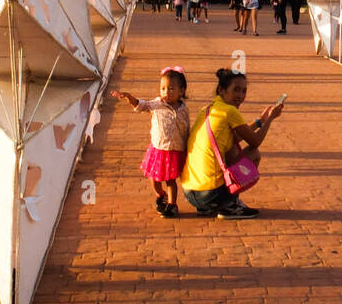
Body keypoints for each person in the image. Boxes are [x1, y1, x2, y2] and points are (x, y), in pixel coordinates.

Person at [180, 68, 285, 219]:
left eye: (243, 91)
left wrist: (259, 122)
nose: (240, 96)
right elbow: (255, 141)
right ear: (221, 90)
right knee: (252, 154)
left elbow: (233, 137)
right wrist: (270, 119)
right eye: (236, 90)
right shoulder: (230, 111)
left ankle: (211, 207)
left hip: (190, 193)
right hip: (210, 194)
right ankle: (229, 205)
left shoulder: (208, 109)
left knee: (231, 150)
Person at [112, 67, 190, 218]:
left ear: (181, 91)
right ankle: (161, 195)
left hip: (174, 150)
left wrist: (187, 147)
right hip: (158, 149)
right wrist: (129, 97)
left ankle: (172, 205)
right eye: (163, 88)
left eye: (171, 89)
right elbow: (141, 105)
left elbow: (186, 129)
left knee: (170, 180)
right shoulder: (157, 104)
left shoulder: (183, 109)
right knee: (154, 179)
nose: (166, 92)